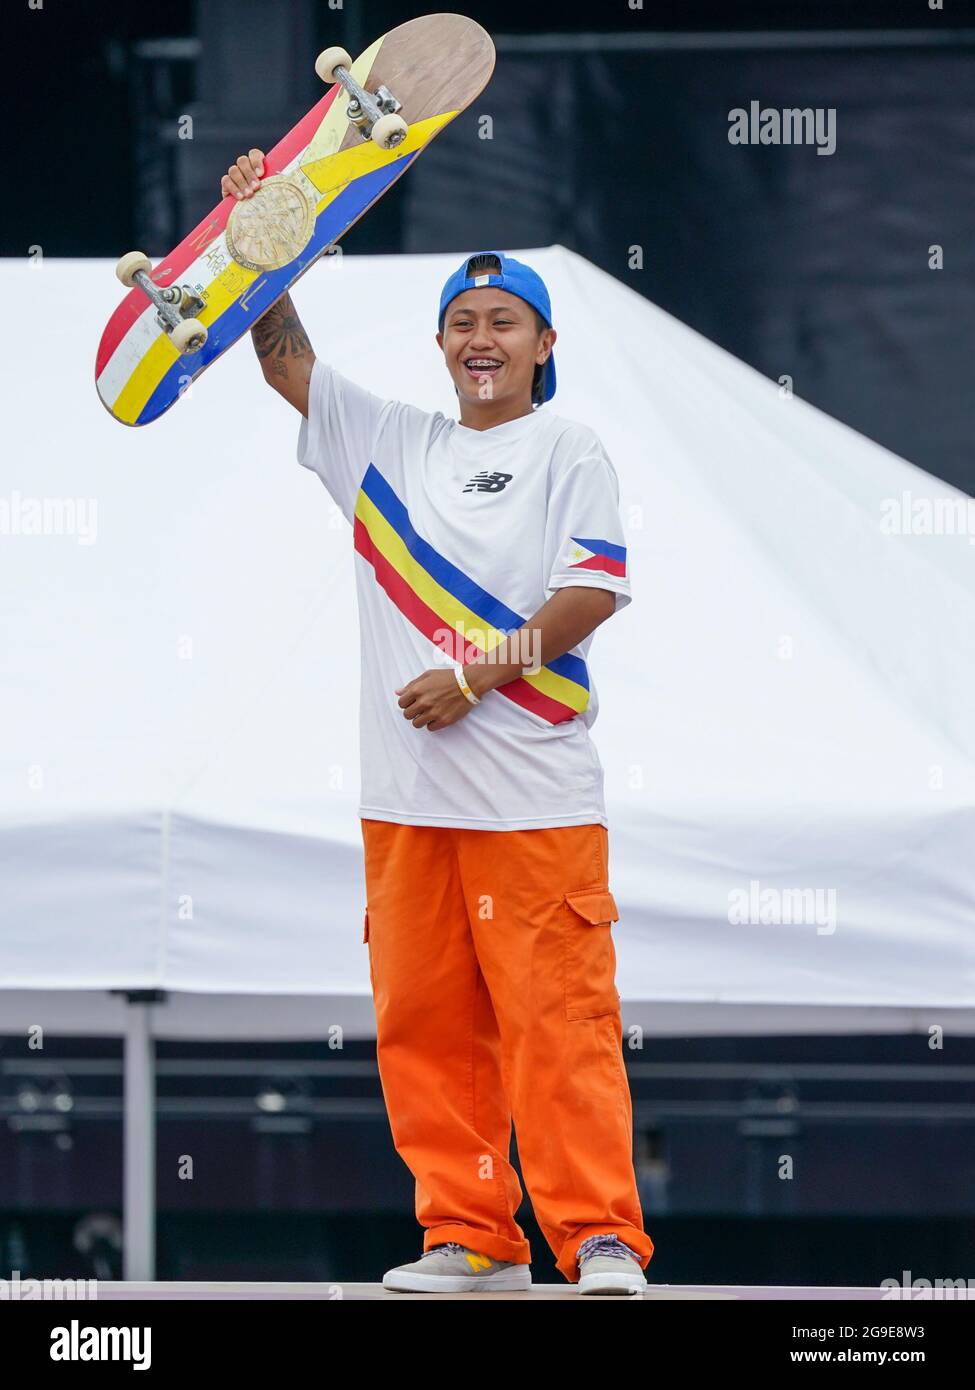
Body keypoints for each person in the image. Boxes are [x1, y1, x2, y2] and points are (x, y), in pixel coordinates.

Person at [222, 149, 655, 1295]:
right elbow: (284, 360)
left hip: (535, 801)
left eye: (505, 321)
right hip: (405, 804)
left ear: (544, 345)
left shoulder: (570, 448)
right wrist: (259, 233)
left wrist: (474, 672)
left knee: (560, 1028)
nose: (481, 338)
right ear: (440, 341)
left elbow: (595, 592)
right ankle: (471, 1236)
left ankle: (597, 1236)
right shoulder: (391, 445)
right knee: (427, 1029)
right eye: (462, 320)